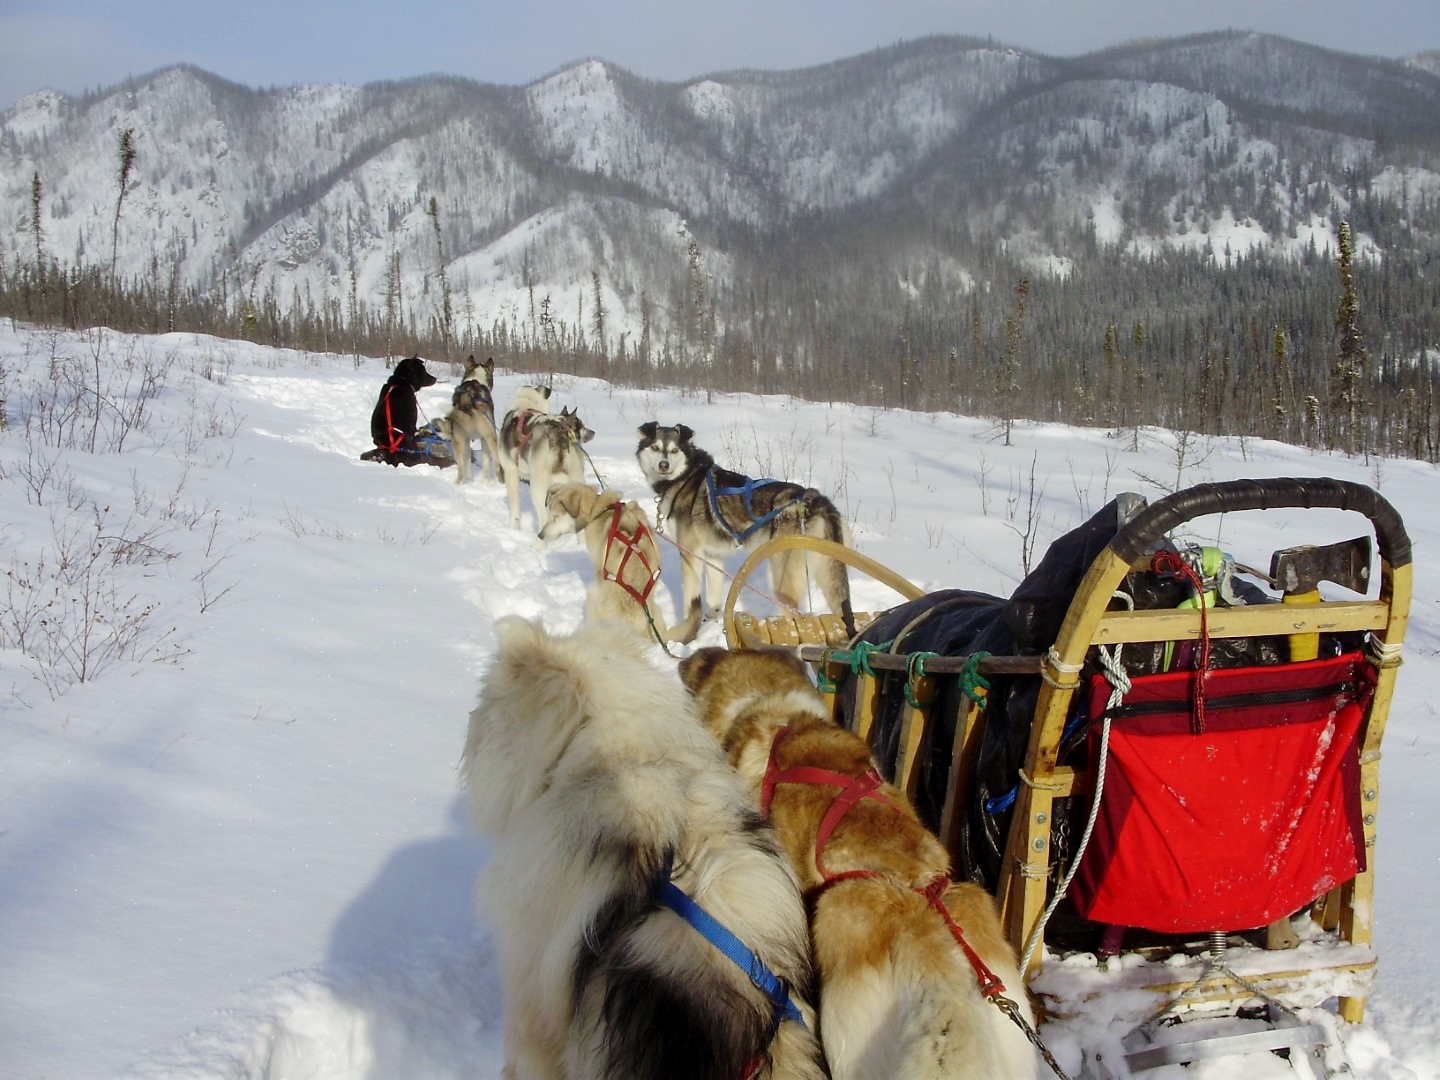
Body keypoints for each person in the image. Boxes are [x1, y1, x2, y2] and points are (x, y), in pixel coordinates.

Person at [362, 356, 449, 467]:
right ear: (414, 376)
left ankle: (384, 453)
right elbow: (409, 427)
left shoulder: (388, 389)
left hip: (383, 441)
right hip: (399, 448)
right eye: (423, 375)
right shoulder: (405, 393)